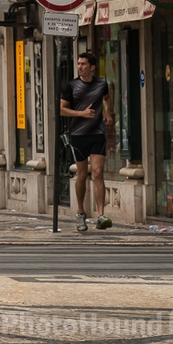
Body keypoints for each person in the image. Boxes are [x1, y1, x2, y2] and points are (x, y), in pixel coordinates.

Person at [61, 49, 114, 232]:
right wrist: (81, 113)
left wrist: (107, 111)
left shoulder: (101, 84)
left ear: (92, 67)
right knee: (82, 174)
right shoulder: (72, 86)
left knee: (98, 172)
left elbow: (107, 98)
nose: (79, 67)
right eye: (78, 64)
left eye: (83, 64)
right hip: (78, 135)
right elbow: (62, 110)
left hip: (97, 133)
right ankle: (81, 213)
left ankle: (101, 215)